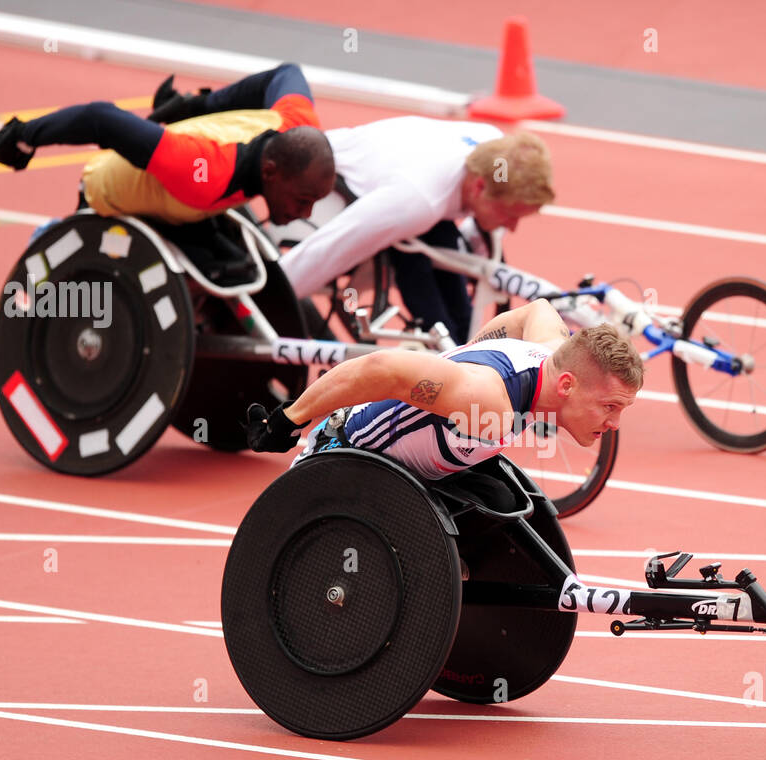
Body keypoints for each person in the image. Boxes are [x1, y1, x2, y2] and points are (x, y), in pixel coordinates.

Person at [148, 75, 556, 344]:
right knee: (423, 268)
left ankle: (465, 351)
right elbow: (329, 249)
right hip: (322, 181)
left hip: (395, 192)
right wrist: (251, 308)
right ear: (481, 186)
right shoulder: (418, 199)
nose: (514, 227)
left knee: (445, 252)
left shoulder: (491, 144)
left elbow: (464, 234)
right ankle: (454, 354)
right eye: (512, 214)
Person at [244, 300, 642, 489]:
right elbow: (380, 368)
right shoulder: (488, 402)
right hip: (341, 463)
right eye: (609, 406)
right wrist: (289, 418)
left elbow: (533, 311)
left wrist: (466, 356)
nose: (614, 423)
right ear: (568, 385)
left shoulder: (551, 349)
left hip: (415, 475)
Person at [0, 64, 335, 228]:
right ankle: (49, 235)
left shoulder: (299, 126)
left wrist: (198, 104)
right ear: (270, 172)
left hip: (190, 203)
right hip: (107, 199)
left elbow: (286, 74)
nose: (304, 214)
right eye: (302, 201)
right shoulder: (203, 170)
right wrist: (23, 135)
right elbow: (99, 118)